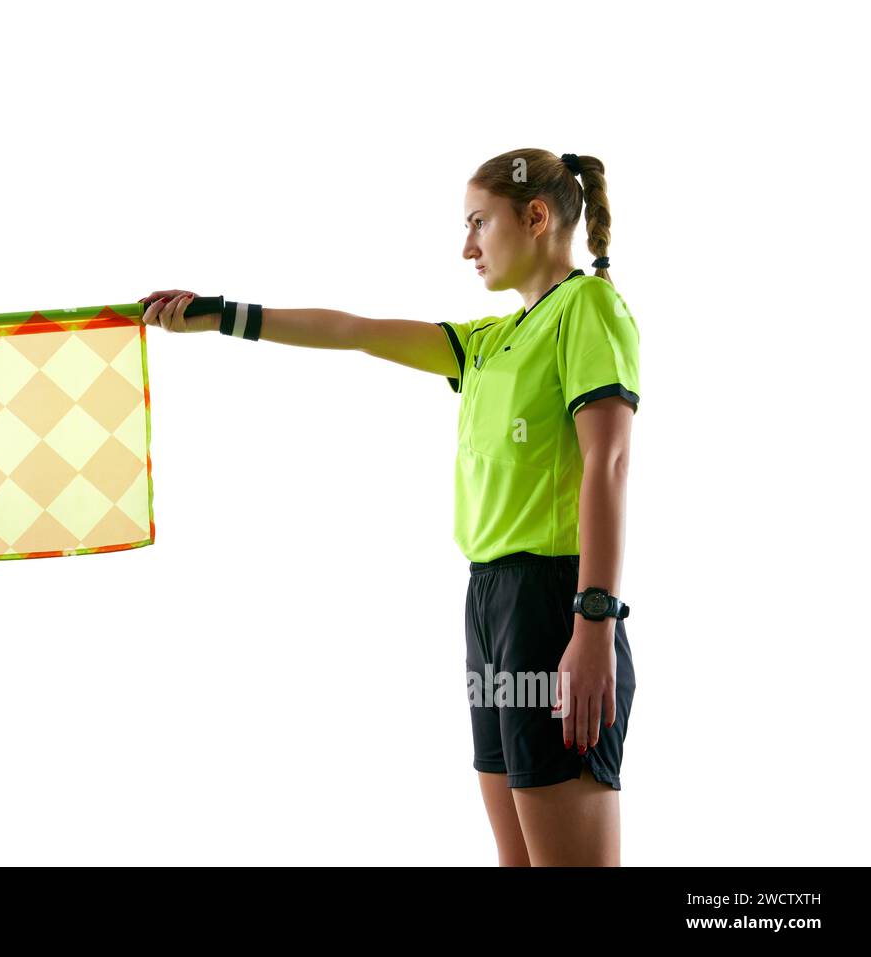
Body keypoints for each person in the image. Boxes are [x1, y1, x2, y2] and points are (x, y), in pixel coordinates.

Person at [138, 148, 639, 867]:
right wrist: (218, 315)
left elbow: (609, 460)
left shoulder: (588, 307)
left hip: (554, 601)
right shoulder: (489, 340)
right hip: (490, 601)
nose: (467, 245)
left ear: (535, 217)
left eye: (478, 222)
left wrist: (594, 619)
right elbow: (354, 330)